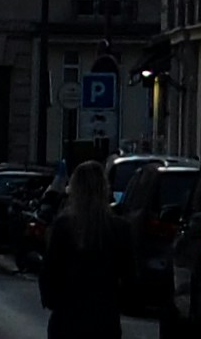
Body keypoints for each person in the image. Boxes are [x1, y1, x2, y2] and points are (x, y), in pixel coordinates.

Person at [41, 144, 133, 336]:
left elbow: (50, 273)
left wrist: (54, 299)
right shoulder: (119, 229)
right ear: (104, 190)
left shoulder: (64, 227)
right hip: (104, 320)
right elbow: (129, 276)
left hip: (67, 320)